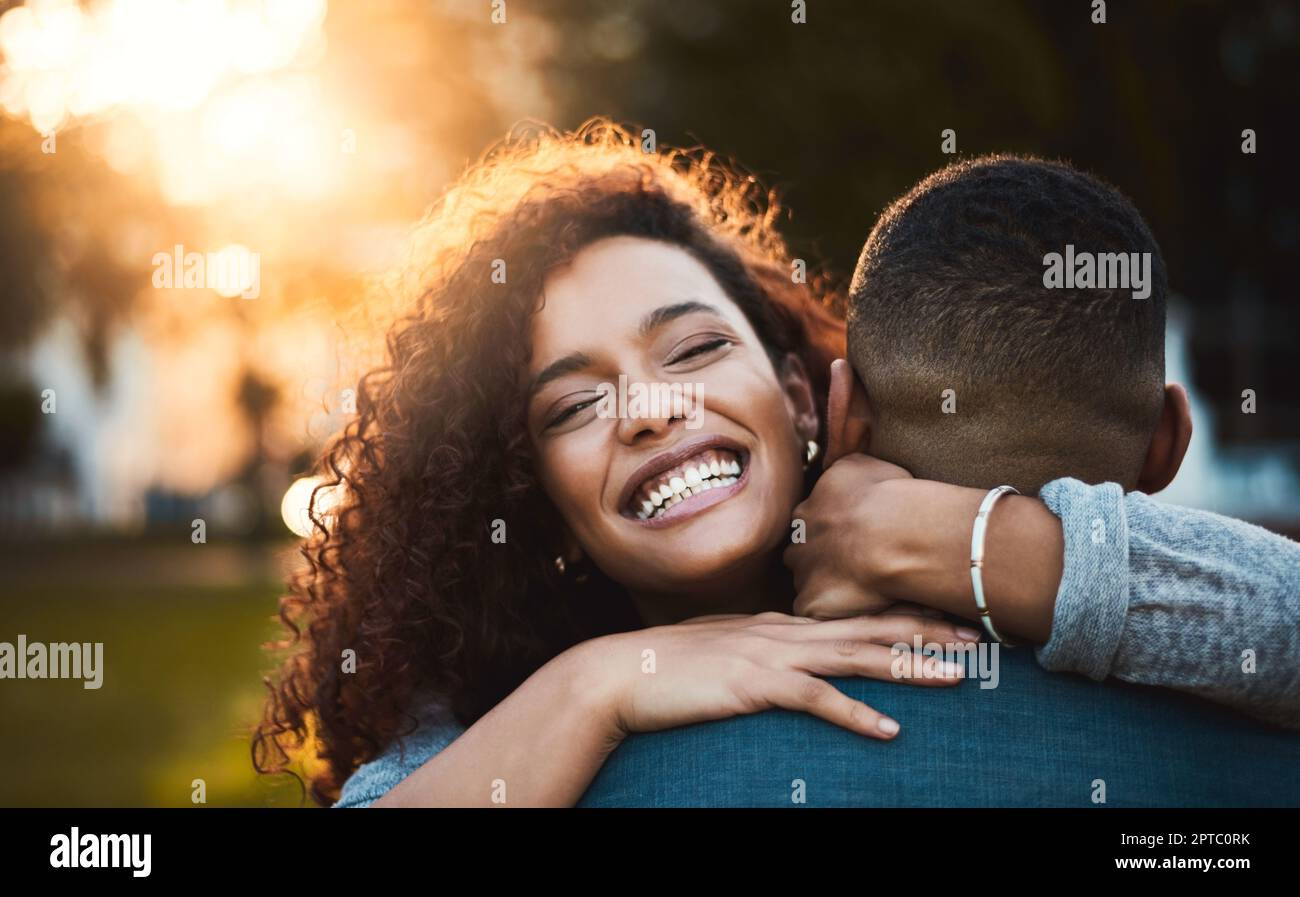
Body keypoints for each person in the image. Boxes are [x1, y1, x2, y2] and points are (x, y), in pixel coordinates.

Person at [249, 123, 1296, 808]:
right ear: (538, 498)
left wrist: (964, 543)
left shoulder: (994, 612)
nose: (651, 411)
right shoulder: (499, 708)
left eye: (695, 348)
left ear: (804, 396)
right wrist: (597, 686)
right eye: (574, 403)